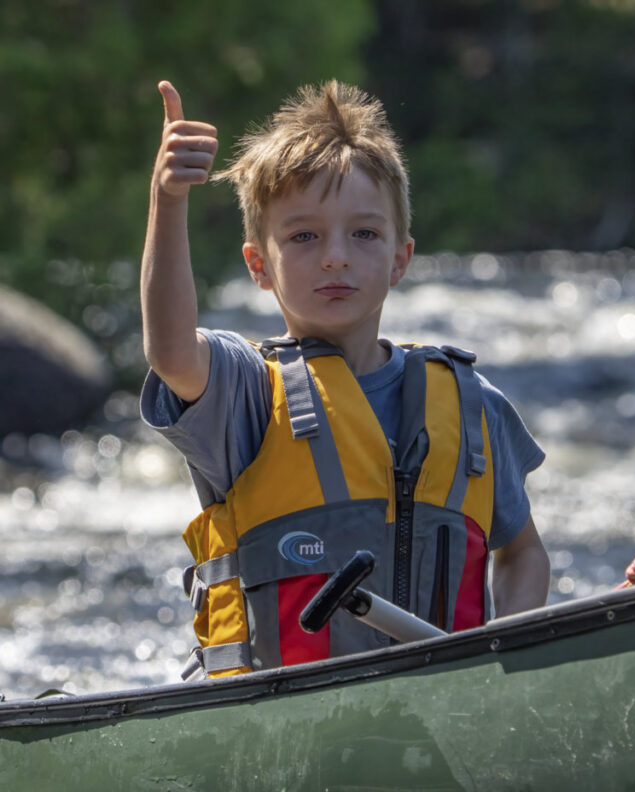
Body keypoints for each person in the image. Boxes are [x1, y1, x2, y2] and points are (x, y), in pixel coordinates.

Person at [140, 79, 550, 679]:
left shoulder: (471, 406)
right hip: (280, 726)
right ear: (260, 265)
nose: (336, 256)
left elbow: (523, 553)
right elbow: (171, 352)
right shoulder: (245, 391)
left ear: (400, 258)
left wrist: (504, 655)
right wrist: (168, 197)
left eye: (364, 234)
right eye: (303, 236)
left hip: (445, 712)